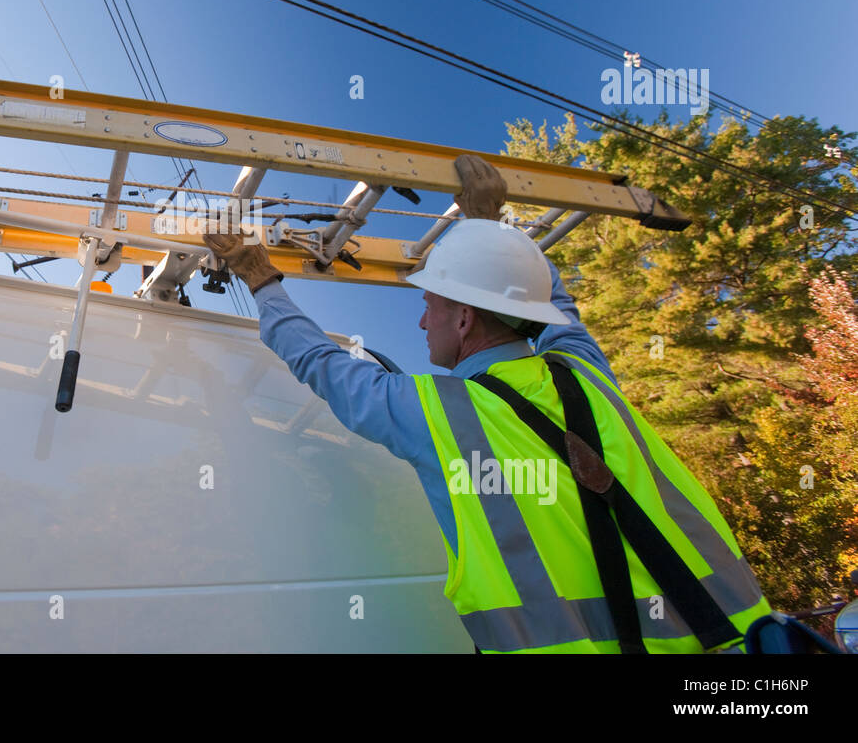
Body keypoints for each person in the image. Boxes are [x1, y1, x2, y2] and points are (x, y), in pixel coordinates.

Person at [204, 154, 771, 653]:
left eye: (429, 305)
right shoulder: (588, 376)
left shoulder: (438, 413)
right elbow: (550, 300)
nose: (422, 320)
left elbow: (321, 364)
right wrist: (486, 229)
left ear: (465, 317)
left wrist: (261, 279)